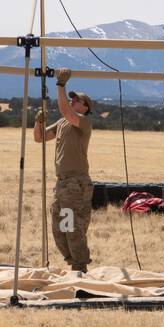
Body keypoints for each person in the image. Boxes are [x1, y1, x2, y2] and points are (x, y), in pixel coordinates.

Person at [33, 67, 94, 273]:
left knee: (72, 227)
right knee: (60, 227)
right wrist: (38, 122)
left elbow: (66, 112)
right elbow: (39, 138)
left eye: (77, 100)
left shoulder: (82, 123)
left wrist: (60, 85)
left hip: (76, 184)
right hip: (63, 183)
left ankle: (80, 266)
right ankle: (73, 263)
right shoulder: (61, 123)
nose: (72, 101)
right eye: (72, 99)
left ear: (85, 108)